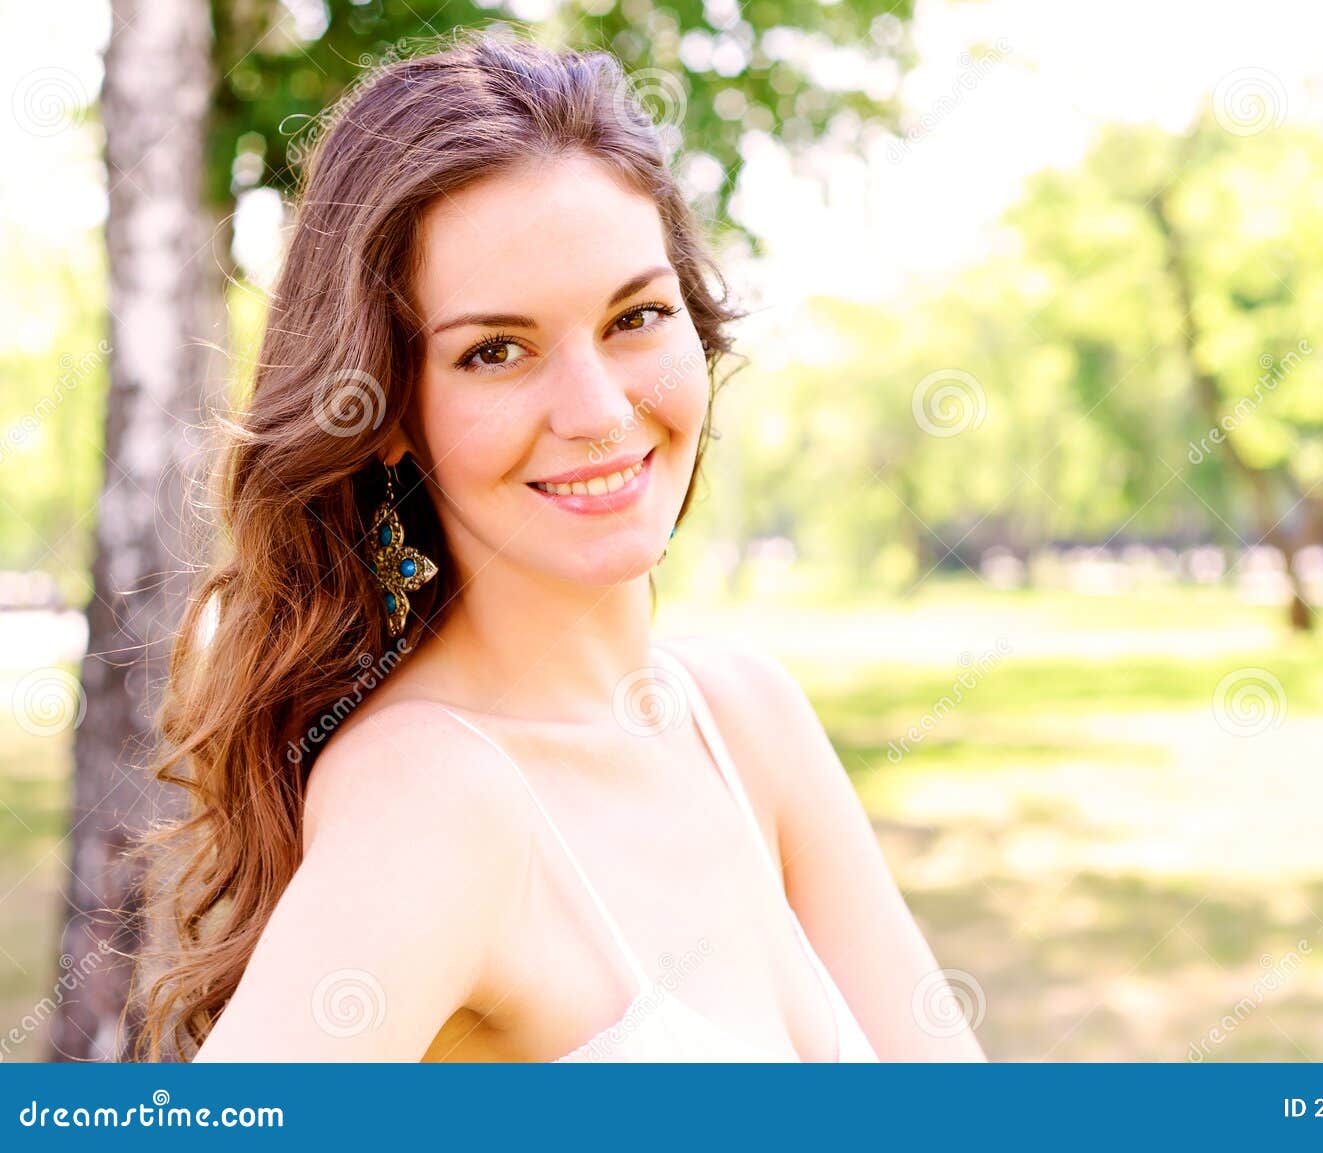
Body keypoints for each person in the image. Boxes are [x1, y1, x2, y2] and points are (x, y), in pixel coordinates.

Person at [135, 31, 985, 1064]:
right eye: (496, 351)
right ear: (390, 409)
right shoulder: (438, 798)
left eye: (636, 317)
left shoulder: (746, 719)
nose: (596, 410)